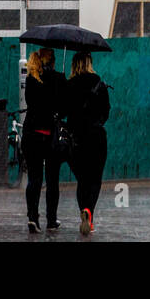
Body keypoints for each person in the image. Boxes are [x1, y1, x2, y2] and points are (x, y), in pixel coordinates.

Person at [22, 48, 67, 232]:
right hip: (50, 138)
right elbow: (62, 109)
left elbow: (32, 104)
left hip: (31, 135)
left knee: (34, 179)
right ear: (53, 60)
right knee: (52, 180)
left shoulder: (31, 79)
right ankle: (51, 219)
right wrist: (61, 83)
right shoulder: (57, 79)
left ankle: (33, 217)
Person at [66, 52, 110, 236]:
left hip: (76, 138)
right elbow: (106, 111)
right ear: (90, 63)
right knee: (95, 179)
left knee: (82, 179)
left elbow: (64, 111)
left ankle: (83, 210)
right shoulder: (99, 83)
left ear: (74, 64)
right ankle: (89, 213)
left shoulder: (69, 85)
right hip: (96, 137)